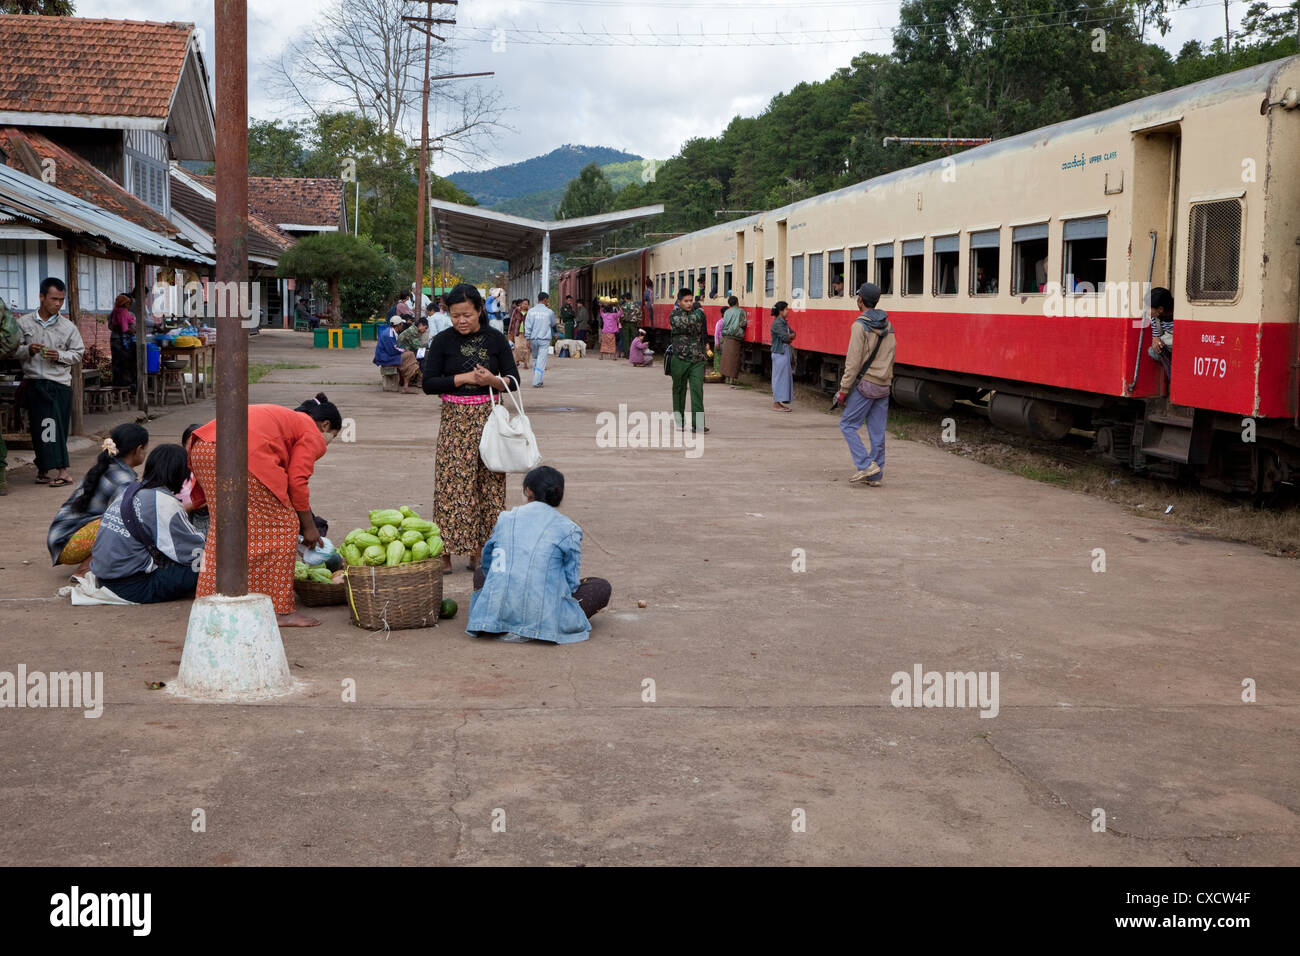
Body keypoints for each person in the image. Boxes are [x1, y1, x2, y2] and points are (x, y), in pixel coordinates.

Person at [190, 394, 343, 627]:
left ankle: (211, 597)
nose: (328, 441)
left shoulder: (287, 419)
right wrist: (309, 528)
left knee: (226, 527)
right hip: (240, 455)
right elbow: (297, 481)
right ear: (325, 425)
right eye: (333, 436)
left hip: (203, 448)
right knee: (284, 526)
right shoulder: (311, 432)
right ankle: (280, 610)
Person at [421, 283, 521, 573]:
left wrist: (492, 380)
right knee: (452, 486)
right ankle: (447, 552)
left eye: (466, 314)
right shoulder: (441, 342)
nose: (461, 321)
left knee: (489, 485)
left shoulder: (495, 339)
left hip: (490, 418)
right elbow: (429, 383)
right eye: (455, 315)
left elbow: (514, 381)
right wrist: (463, 378)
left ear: (480, 310)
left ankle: (481, 551)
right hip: (454, 420)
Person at [467, 466, 611, 644]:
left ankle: (500, 617)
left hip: (496, 613)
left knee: (482, 573)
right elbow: (571, 583)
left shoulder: (505, 518)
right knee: (600, 587)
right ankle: (538, 623)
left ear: (528, 491)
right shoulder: (568, 528)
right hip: (542, 617)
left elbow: (488, 563)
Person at [89, 444, 206, 605]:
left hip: (103, 579)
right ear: (180, 473)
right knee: (207, 565)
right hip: (132, 587)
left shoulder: (131, 491)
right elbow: (192, 551)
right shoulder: (164, 503)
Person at [47, 423, 149, 569]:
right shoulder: (123, 480)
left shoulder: (106, 466)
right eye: (145, 449)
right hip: (68, 545)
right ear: (138, 450)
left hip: (59, 538)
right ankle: (83, 570)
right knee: (127, 522)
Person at [19, 277, 83, 487]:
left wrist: (60, 356)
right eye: (54, 299)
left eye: (61, 300)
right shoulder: (24, 323)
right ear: (41, 297)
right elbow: (11, 351)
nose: (58, 304)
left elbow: (78, 354)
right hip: (35, 382)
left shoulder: (68, 327)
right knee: (40, 429)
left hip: (59, 384)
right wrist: (28, 350)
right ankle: (44, 469)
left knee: (56, 427)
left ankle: (63, 471)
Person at [835, 283, 896, 487]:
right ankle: (876, 475)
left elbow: (852, 363)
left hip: (866, 385)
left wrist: (843, 390)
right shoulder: (888, 325)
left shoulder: (859, 326)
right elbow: (892, 354)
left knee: (847, 425)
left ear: (860, 300)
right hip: (884, 385)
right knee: (877, 433)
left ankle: (865, 464)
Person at [668, 288, 708, 432]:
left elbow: (702, 330)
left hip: (697, 359)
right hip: (680, 358)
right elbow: (687, 322)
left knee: (697, 390)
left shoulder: (696, 313)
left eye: (691, 300)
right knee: (679, 390)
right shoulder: (674, 315)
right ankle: (680, 422)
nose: (689, 303)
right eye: (686, 301)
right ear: (679, 302)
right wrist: (699, 313)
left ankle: (698, 424)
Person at [525, 291, 557, 387]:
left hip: (533, 338)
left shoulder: (531, 311)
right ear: (545, 300)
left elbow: (528, 326)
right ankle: (537, 381)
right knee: (541, 360)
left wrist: (527, 338)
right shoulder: (549, 312)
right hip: (544, 339)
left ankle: (537, 378)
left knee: (535, 359)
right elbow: (553, 324)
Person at [769, 301, 796, 411]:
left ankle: (779, 402)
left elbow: (793, 333)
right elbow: (786, 337)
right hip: (779, 352)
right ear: (781, 311)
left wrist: (790, 336)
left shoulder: (783, 322)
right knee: (779, 378)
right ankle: (776, 403)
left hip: (783, 352)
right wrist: (790, 336)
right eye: (786, 309)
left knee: (782, 378)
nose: (788, 311)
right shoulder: (778, 323)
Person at [108, 293, 137, 388]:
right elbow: (124, 328)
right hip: (121, 341)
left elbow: (111, 326)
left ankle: (120, 384)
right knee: (124, 363)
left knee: (118, 363)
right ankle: (124, 385)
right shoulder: (123, 312)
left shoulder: (115, 312)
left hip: (118, 340)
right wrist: (132, 330)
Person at [1147, 286, 1174, 379]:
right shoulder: (1155, 318)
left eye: (1149, 308)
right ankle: (1172, 377)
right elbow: (1156, 336)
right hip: (1168, 346)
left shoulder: (1178, 314)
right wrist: (1155, 340)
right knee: (1153, 350)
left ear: (1160, 309)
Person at [720, 294, 747, 386]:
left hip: (726, 336)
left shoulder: (727, 312)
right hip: (736, 337)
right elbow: (743, 323)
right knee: (734, 359)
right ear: (737, 302)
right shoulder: (741, 311)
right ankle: (732, 379)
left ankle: (727, 378)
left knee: (726, 358)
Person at [374, 314, 405, 391]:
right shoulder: (389, 334)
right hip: (385, 358)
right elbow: (392, 350)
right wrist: (404, 350)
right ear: (398, 325)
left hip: (386, 355)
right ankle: (407, 380)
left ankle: (405, 380)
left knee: (408, 356)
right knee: (408, 356)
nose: (402, 325)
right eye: (401, 324)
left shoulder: (391, 331)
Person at [396, 315, 425, 393]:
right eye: (425, 328)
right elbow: (418, 346)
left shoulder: (413, 330)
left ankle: (419, 377)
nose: (425, 330)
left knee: (413, 357)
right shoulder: (413, 331)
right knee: (418, 358)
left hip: (402, 352)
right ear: (420, 325)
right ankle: (420, 377)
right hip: (399, 353)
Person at [618, 292, 640, 359]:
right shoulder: (636, 305)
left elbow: (620, 315)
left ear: (625, 298)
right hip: (633, 324)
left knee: (626, 339)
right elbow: (639, 314)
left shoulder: (623, 306)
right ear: (631, 297)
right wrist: (638, 321)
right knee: (634, 338)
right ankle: (634, 353)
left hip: (625, 324)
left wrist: (621, 322)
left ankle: (627, 354)